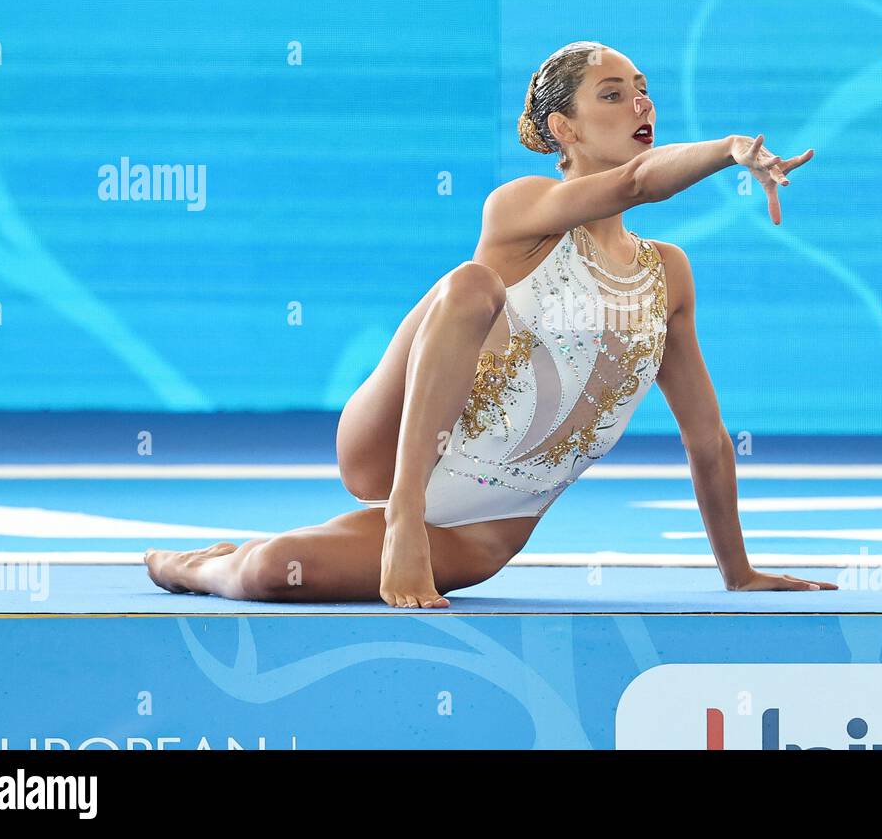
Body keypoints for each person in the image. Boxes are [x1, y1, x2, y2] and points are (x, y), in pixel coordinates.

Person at [144, 41, 830, 608]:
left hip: (481, 530)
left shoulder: (669, 275)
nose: (641, 103)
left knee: (272, 573)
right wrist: (732, 148)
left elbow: (707, 441)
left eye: (644, 89)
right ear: (563, 129)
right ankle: (384, 525)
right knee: (470, 285)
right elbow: (634, 185)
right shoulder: (521, 209)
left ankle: (208, 565)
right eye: (613, 93)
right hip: (387, 446)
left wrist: (738, 572)